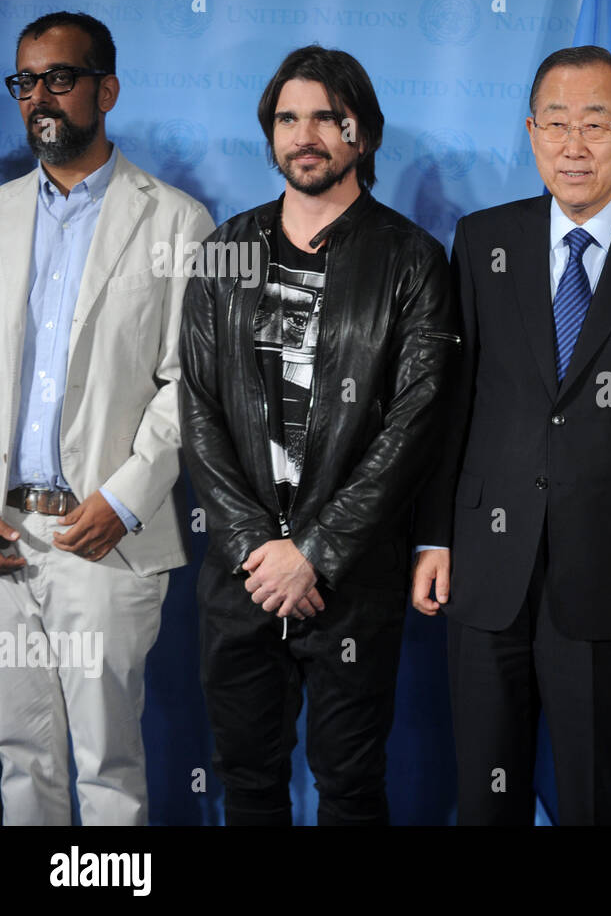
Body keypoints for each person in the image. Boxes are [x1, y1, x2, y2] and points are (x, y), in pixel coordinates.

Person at [411, 45, 611, 826]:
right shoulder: (483, 240)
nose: (574, 145)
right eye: (556, 124)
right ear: (530, 132)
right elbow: (454, 402)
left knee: (601, 794)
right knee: (486, 796)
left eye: (596, 124)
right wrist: (435, 537)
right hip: (488, 568)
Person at [180, 45, 458, 826]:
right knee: (251, 786)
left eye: (326, 119)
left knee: (350, 787)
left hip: (350, 582)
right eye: (288, 118)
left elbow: (415, 421)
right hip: (243, 575)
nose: (306, 135)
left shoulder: (412, 260)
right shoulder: (225, 249)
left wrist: (317, 551)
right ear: (270, 134)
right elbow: (198, 411)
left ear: (361, 133)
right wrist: (255, 549)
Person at [0, 12, 213, 825]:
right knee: (22, 761)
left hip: (104, 536)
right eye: (25, 81)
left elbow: (190, 383)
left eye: (60, 78)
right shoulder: (2, 213)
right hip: (8, 537)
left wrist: (121, 501)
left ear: (106, 89)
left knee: (108, 766)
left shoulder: (173, 220)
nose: (40, 98)